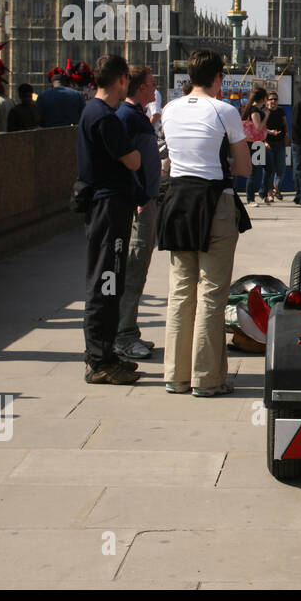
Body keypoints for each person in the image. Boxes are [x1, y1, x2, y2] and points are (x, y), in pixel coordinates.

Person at [156, 49, 251, 396]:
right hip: (214, 201)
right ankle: (206, 377)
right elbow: (243, 168)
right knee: (211, 292)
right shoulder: (224, 110)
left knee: (180, 292)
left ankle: (175, 375)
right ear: (217, 79)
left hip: (178, 201)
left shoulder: (169, 109)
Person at [76, 54, 141, 385]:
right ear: (120, 80)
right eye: (126, 78)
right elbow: (131, 160)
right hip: (108, 207)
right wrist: (139, 155)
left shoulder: (95, 111)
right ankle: (99, 359)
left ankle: (106, 354)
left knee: (109, 279)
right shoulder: (105, 117)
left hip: (107, 205)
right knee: (106, 281)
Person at [114, 65, 162, 363]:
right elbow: (124, 163)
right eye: (151, 84)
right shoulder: (127, 118)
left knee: (138, 269)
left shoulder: (134, 117)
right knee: (133, 270)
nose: (154, 88)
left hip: (145, 201)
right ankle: (123, 337)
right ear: (140, 88)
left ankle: (129, 331)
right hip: (139, 206)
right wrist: (140, 196)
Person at [242, 87, 270, 206]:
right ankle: (250, 199)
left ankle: (262, 192)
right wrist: (267, 116)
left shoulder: (255, 109)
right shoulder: (255, 111)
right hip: (254, 144)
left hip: (257, 143)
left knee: (267, 167)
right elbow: (258, 127)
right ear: (263, 99)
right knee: (253, 171)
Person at [263, 90, 287, 202]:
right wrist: (264, 141)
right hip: (268, 143)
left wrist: (286, 134)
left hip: (280, 142)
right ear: (267, 101)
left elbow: (285, 123)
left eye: (275, 99)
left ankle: (276, 187)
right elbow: (260, 128)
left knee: (281, 168)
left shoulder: (281, 111)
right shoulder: (264, 111)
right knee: (269, 169)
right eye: (271, 99)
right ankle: (269, 193)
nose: (273, 101)